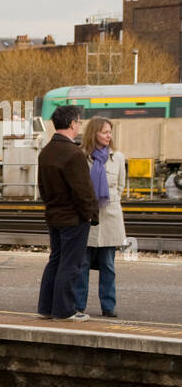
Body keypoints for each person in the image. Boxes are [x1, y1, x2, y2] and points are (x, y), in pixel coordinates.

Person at [37, 105, 98, 322]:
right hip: (74, 218)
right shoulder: (73, 154)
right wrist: (89, 214)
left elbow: (42, 188)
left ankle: (46, 307)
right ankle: (64, 310)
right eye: (79, 122)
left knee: (55, 260)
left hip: (54, 215)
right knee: (70, 264)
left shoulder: (46, 152)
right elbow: (83, 190)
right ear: (72, 124)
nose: (79, 126)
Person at [75, 116, 125, 318]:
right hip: (87, 218)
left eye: (110, 132)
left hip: (111, 218)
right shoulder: (81, 156)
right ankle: (79, 305)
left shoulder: (118, 157)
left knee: (108, 266)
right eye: (104, 132)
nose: (108, 135)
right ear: (93, 133)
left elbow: (120, 187)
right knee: (82, 265)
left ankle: (108, 306)